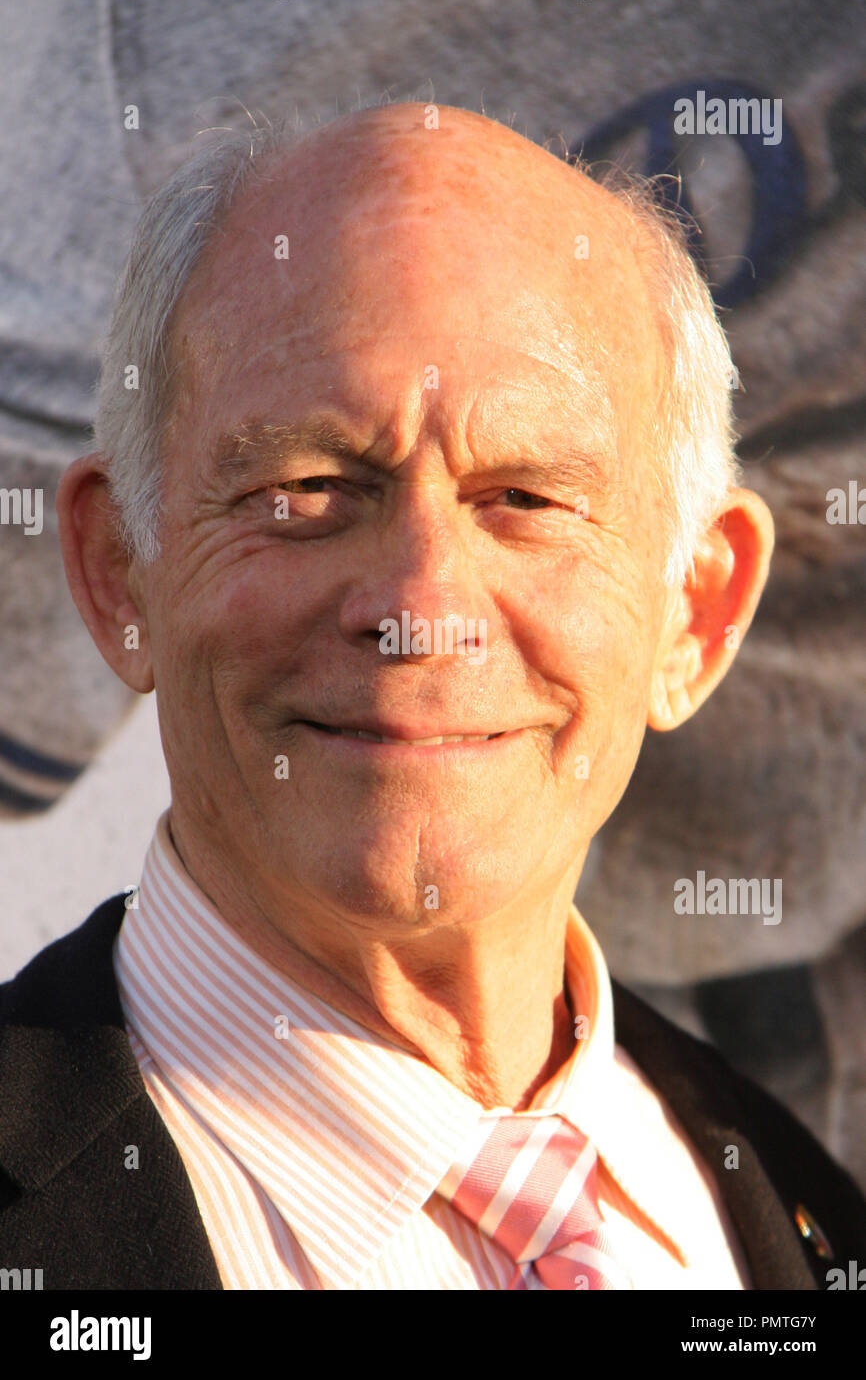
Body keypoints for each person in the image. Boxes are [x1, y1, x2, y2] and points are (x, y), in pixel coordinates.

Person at [1, 102, 863, 1290]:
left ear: (693, 612)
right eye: (308, 487)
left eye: (525, 499)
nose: (419, 604)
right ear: (119, 574)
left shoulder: (803, 1214)